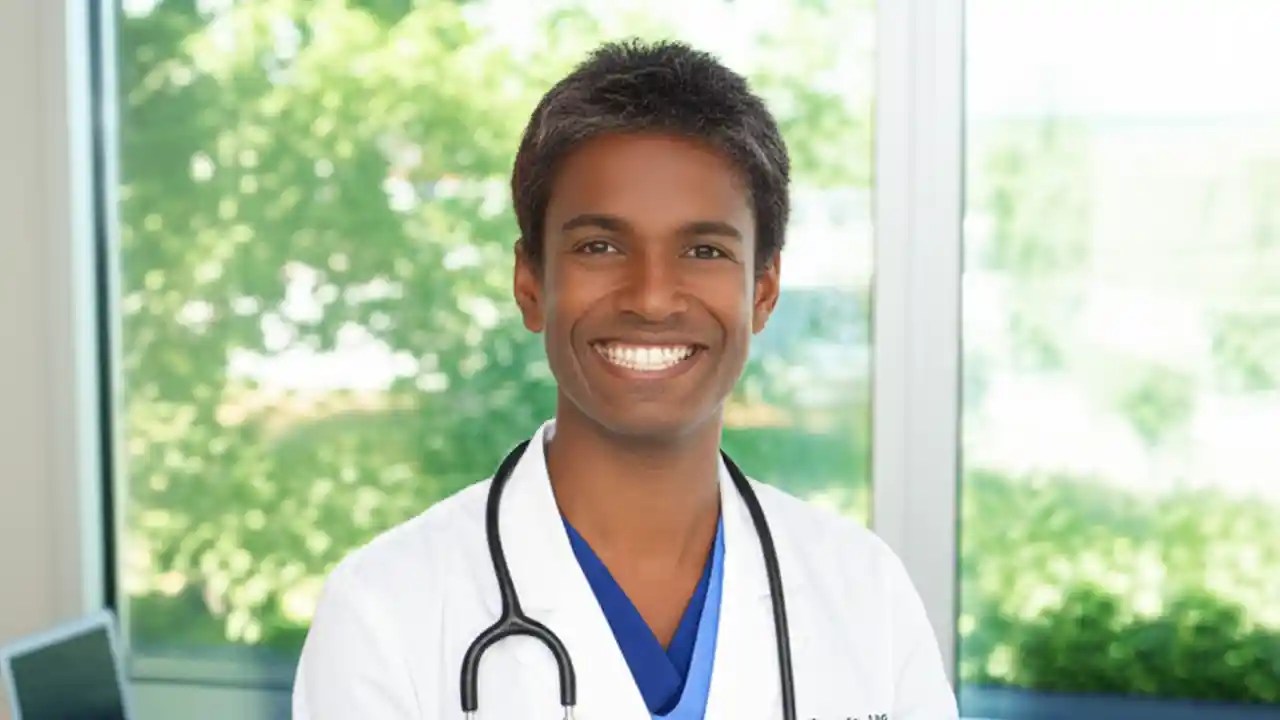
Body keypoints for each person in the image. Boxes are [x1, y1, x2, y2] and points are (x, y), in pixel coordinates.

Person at [292, 38, 958, 720]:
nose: (652, 297)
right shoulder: (386, 613)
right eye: (600, 247)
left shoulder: (864, 596)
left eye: (704, 251)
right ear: (530, 283)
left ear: (763, 290)